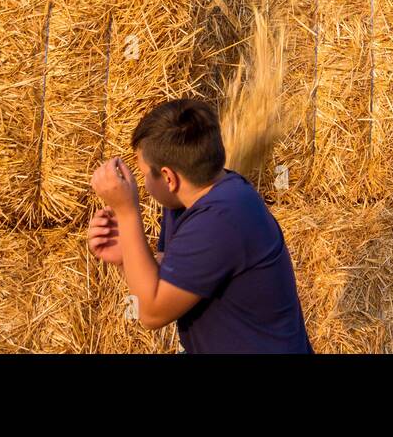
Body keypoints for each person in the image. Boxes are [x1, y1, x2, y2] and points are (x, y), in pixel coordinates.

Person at [88, 98, 313, 354]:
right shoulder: (195, 197)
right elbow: (171, 275)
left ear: (169, 178)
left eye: (143, 174)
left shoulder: (222, 219)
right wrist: (124, 256)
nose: (144, 185)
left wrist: (126, 212)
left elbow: (152, 313)